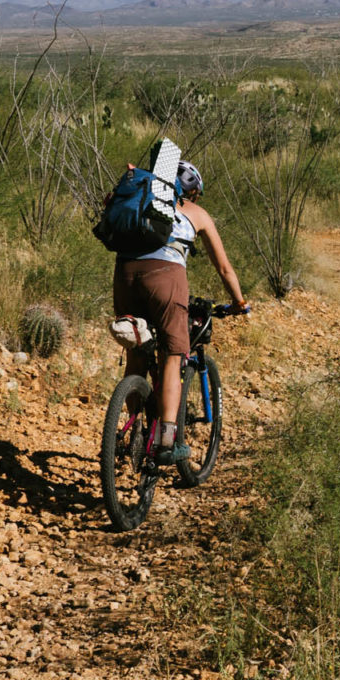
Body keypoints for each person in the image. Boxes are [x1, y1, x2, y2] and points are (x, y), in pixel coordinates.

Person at [111, 158, 249, 462]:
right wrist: (239, 302)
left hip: (124, 274)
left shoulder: (142, 200)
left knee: (136, 351)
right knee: (173, 355)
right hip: (165, 278)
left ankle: (134, 429)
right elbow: (224, 268)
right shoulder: (195, 213)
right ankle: (167, 439)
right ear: (193, 192)